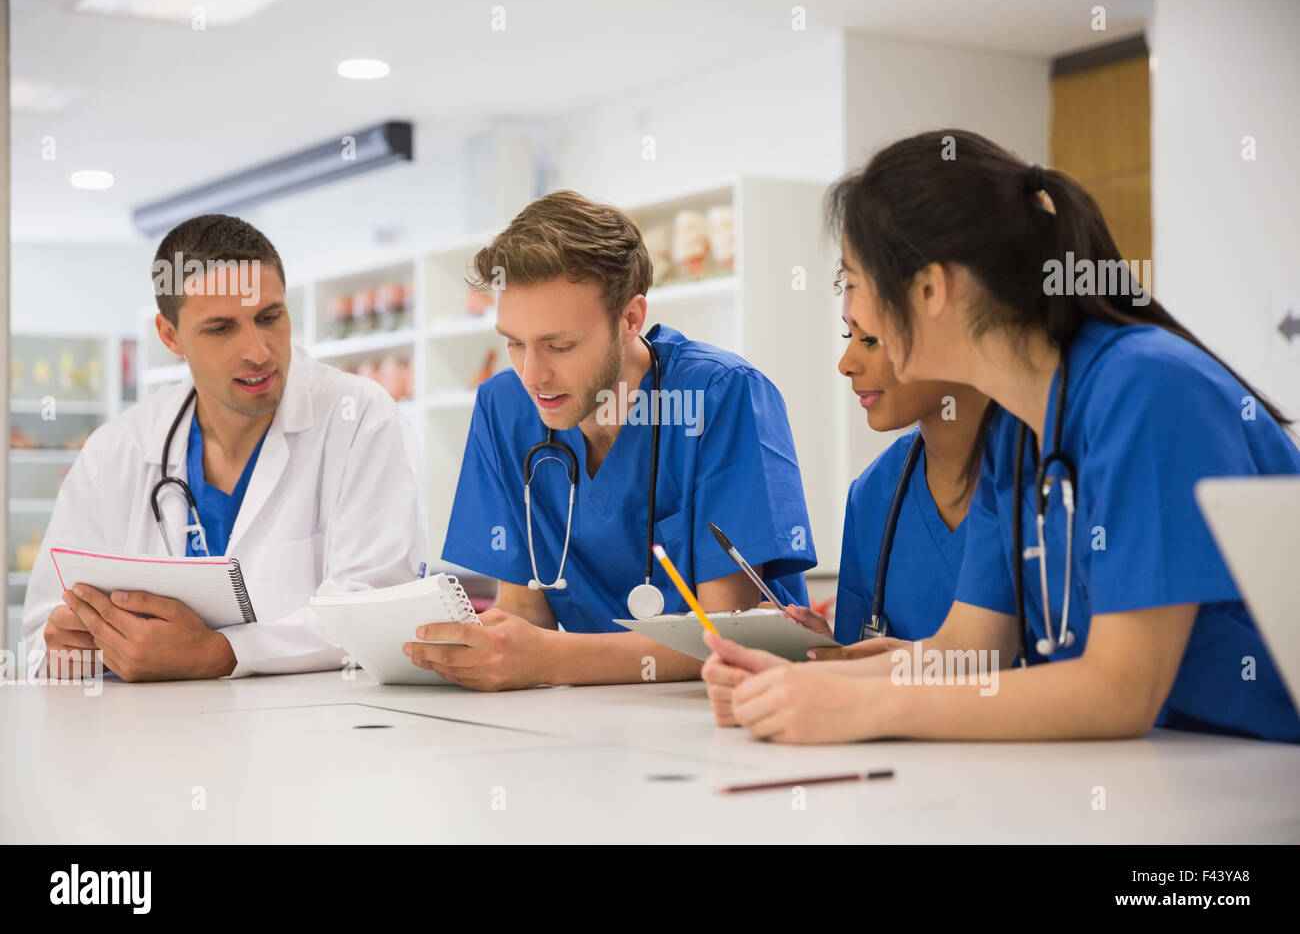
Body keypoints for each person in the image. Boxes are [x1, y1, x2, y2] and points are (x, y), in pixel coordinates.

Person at [704, 129, 1300, 744]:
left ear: (932, 289)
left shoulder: (1145, 387)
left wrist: (864, 710)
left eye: (854, 279)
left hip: (1264, 767)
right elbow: (969, 649)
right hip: (1166, 765)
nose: (850, 314)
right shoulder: (1017, 427)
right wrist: (798, 679)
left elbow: (1120, 692)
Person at [409, 191, 816, 690]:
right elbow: (524, 617)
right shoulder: (504, 407)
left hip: (721, 710)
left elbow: (728, 637)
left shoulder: (721, 395)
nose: (532, 374)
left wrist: (552, 660)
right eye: (514, 343)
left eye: (559, 345)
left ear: (629, 320)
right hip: (585, 714)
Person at [22, 214, 426, 681]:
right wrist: (73, 646)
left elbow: (376, 612)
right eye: (221, 328)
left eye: (269, 317)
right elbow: (38, 634)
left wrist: (221, 653)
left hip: (316, 740)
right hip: (149, 740)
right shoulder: (115, 451)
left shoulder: (360, 418)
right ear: (171, 335)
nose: (258, 350)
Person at [707, 281, 988, 725]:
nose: (845, 364)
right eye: (848, 336)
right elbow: (872, 658)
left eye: (871, 339)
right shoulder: (874, 494)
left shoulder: (1041, 471)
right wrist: (824, 655)